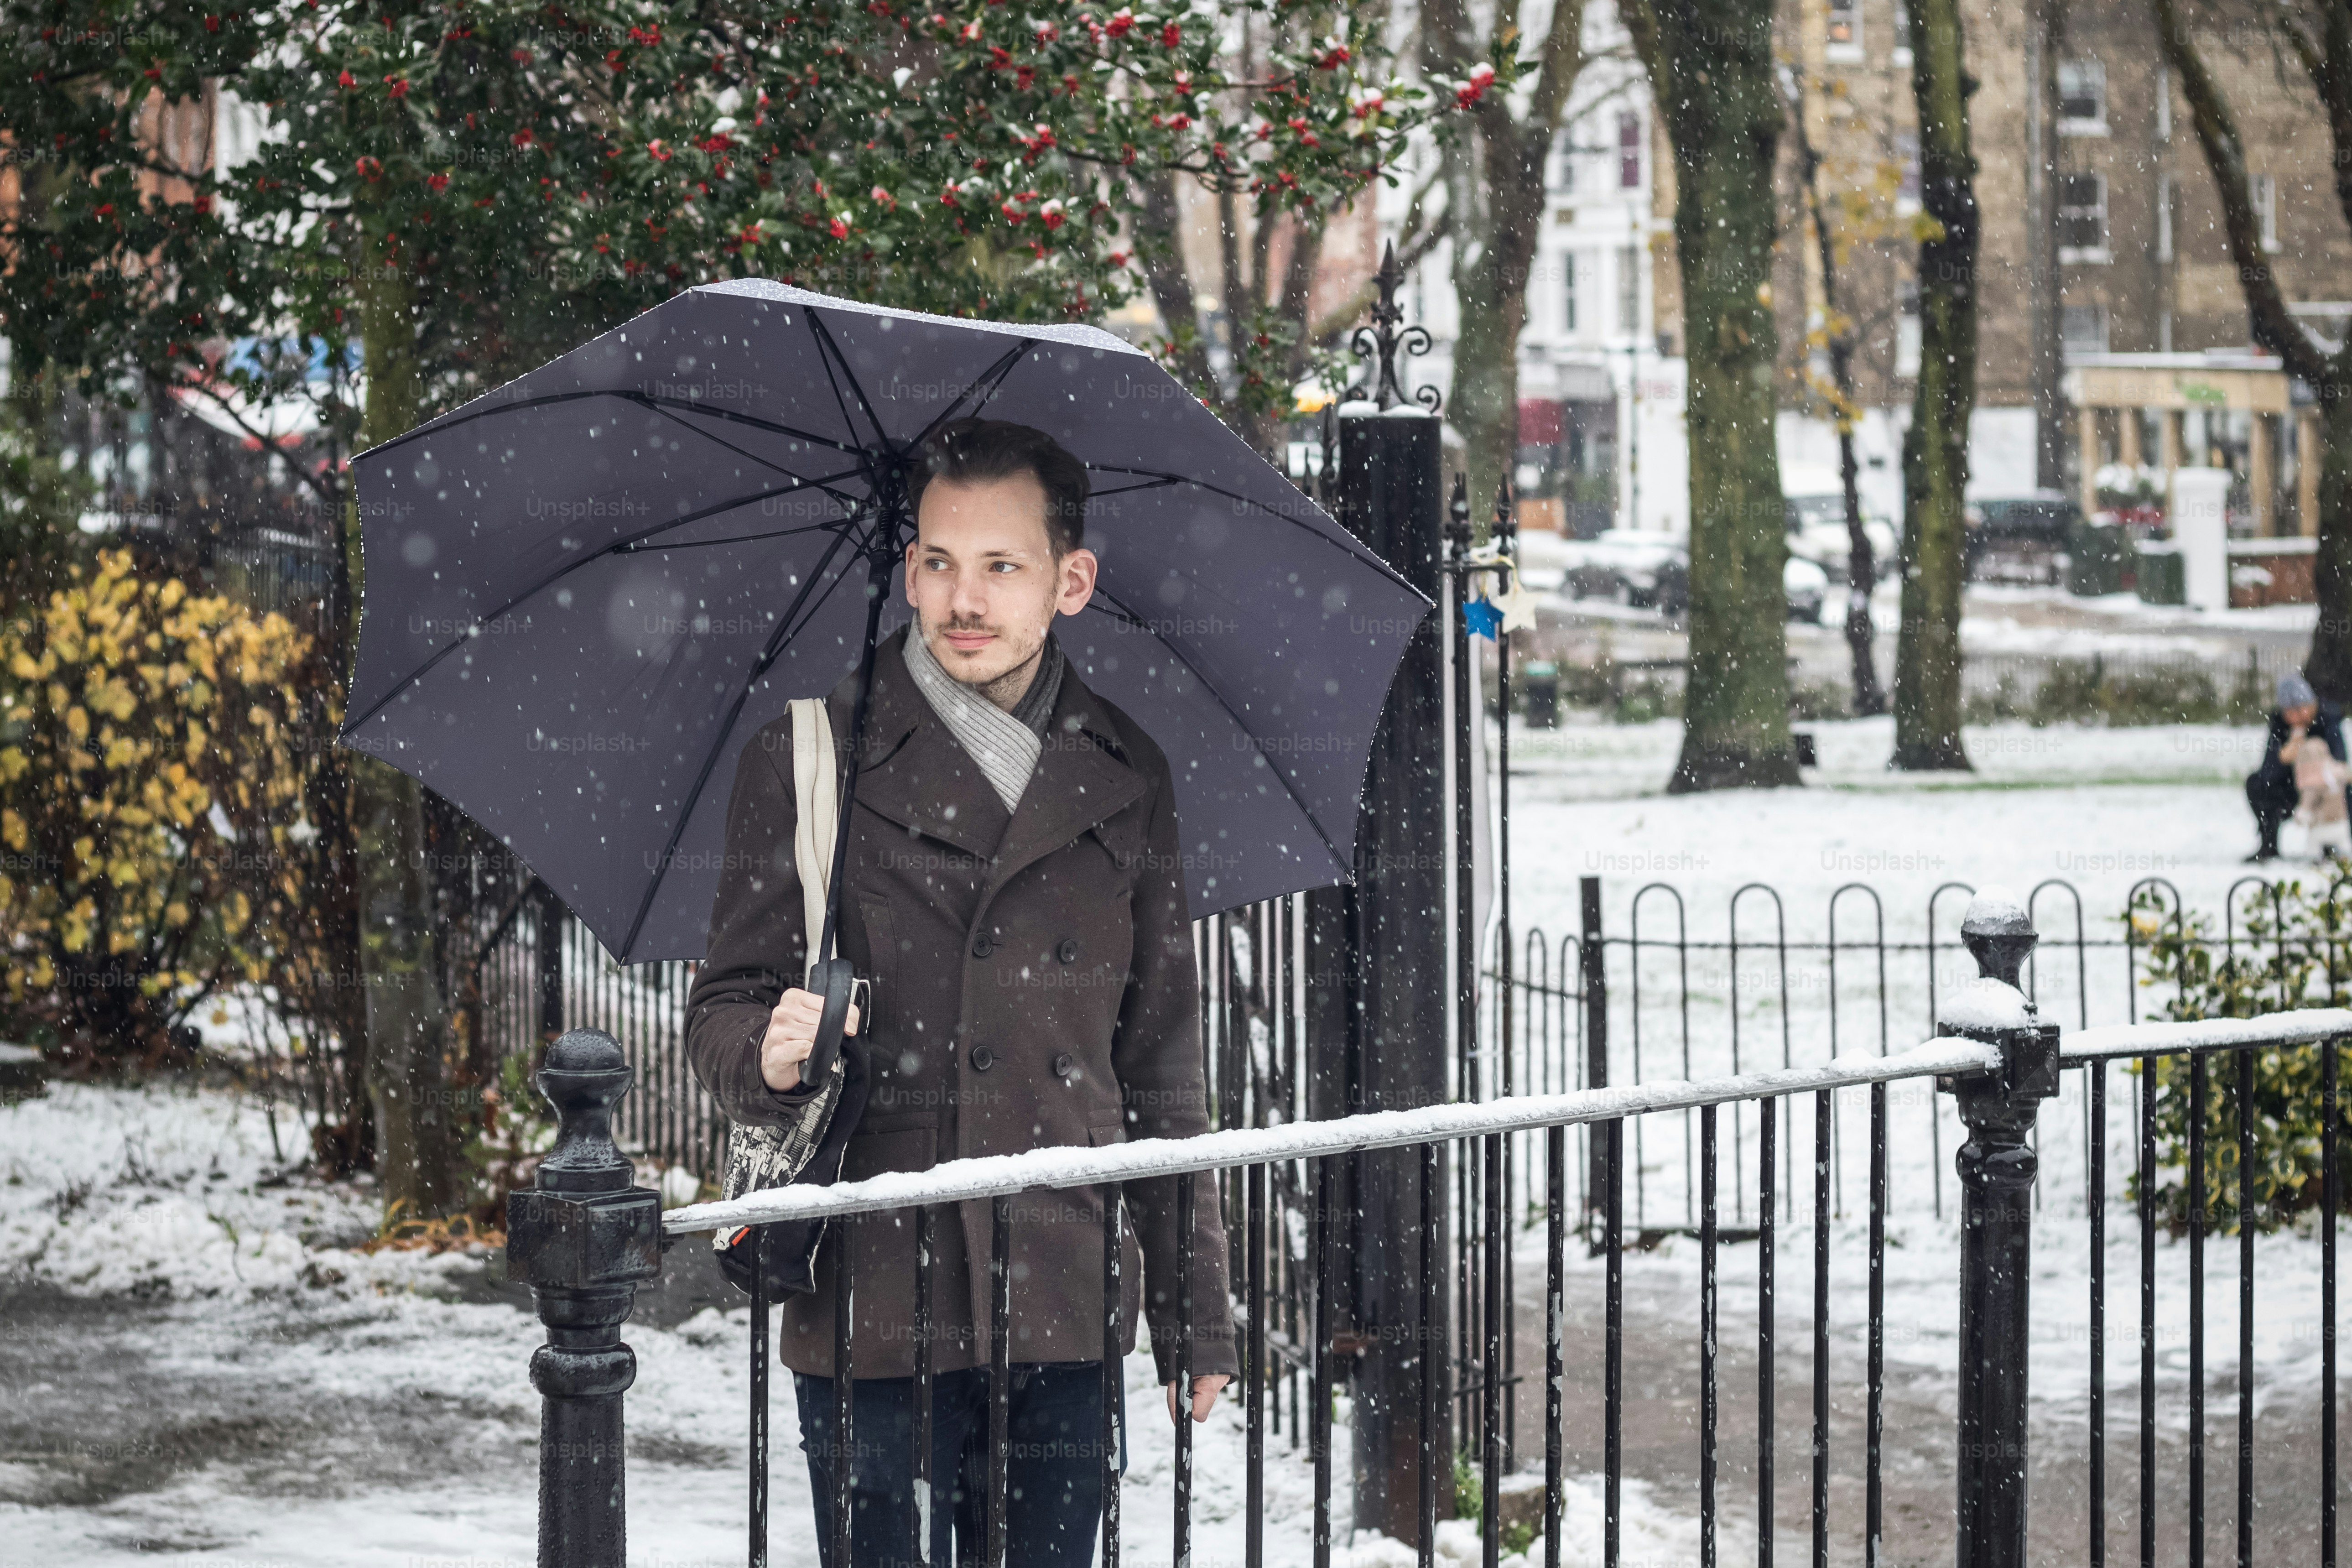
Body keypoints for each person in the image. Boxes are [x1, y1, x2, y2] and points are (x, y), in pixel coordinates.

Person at [685, 417, 1234, 1568]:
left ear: (1069, 581)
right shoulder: (809, 756)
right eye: (937, 562)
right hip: (870, 1277)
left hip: (1060, 1271)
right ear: (908, 571)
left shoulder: (1128, 773)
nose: (962, 599)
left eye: (1000, 565)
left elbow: (1161, 1065)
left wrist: (1196, 1312)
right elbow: (723, 1009)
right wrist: (773, 1055)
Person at [2246, 671, 2349, 861]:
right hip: (2291, 788)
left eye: (2302, 708)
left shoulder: (2328, 721)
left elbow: (2339, 761)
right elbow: (2268, 772)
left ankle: (2331, 843)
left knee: (2345, 789)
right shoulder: (2280, 727)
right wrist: (2285, 758)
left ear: (2312, 704)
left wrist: (2311, 756)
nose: (2298, 716)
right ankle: (2269, 844)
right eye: (2291, 711)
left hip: (2324, 788)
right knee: (2256, 784)